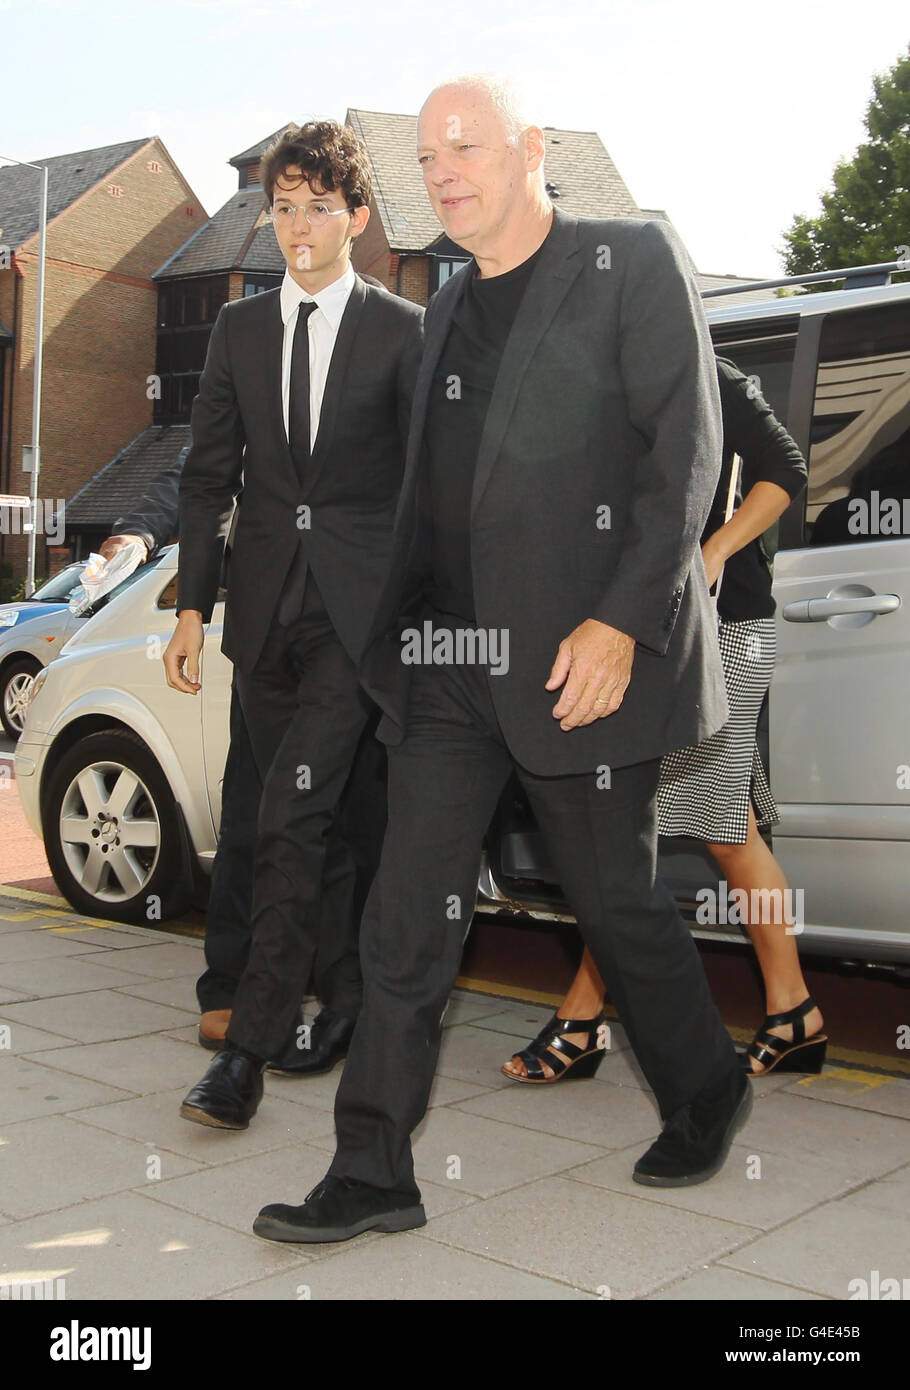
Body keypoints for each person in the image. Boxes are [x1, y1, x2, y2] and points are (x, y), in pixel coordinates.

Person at [250, 73, 749, 1248]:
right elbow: (431, 494)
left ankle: (707, 1086)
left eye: (465, 147)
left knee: (615, 906)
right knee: (404, 920)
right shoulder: (445, 305)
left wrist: (624, 619)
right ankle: (374, 1170)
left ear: (532, 149)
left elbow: (685, 450)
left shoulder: (627, 261)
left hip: (584, 662)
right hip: (449, 668)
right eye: (427, 159)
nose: (444, 172)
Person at [163, 119, 423, 1128]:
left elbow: (423, 494)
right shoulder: (236, 331)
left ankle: (248, 1054)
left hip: (353, 626)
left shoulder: (402, 333)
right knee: (323, 821)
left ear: (357, 218)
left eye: (320, 206)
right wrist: (191, 606)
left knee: (286, 818)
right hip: (262, 618)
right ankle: (347, 999)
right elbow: (207, 479)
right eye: (283, 207)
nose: (299, 225)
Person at [501, 356, 819, 1085]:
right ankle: (793, 1011)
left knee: (664, 830)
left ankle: (583, 1019)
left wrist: (712, 552)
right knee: (718, 831)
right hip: (640, 633)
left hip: (722, 629)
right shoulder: (598, 385)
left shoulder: (713, 376)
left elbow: (786, 470)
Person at [103, 421, 387, 1064]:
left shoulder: (387, 336)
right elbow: (200, 470)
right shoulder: (257, 340)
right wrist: (144, 529)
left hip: (353, 636)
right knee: (251, 820)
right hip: (266, 641)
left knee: (347, 821)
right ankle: (230, 985)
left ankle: (345, 991)